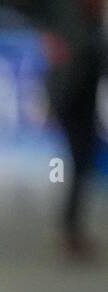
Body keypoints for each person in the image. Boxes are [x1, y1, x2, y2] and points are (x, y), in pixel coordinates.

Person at [44, 0, 106, 260]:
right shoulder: (79, 29)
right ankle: (71, 231)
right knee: (79, 170)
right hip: (76, 111)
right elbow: (71, 71)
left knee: (80, 171)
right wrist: (56, 106)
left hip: (82, 109)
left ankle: (72, 229)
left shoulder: (82, 26)